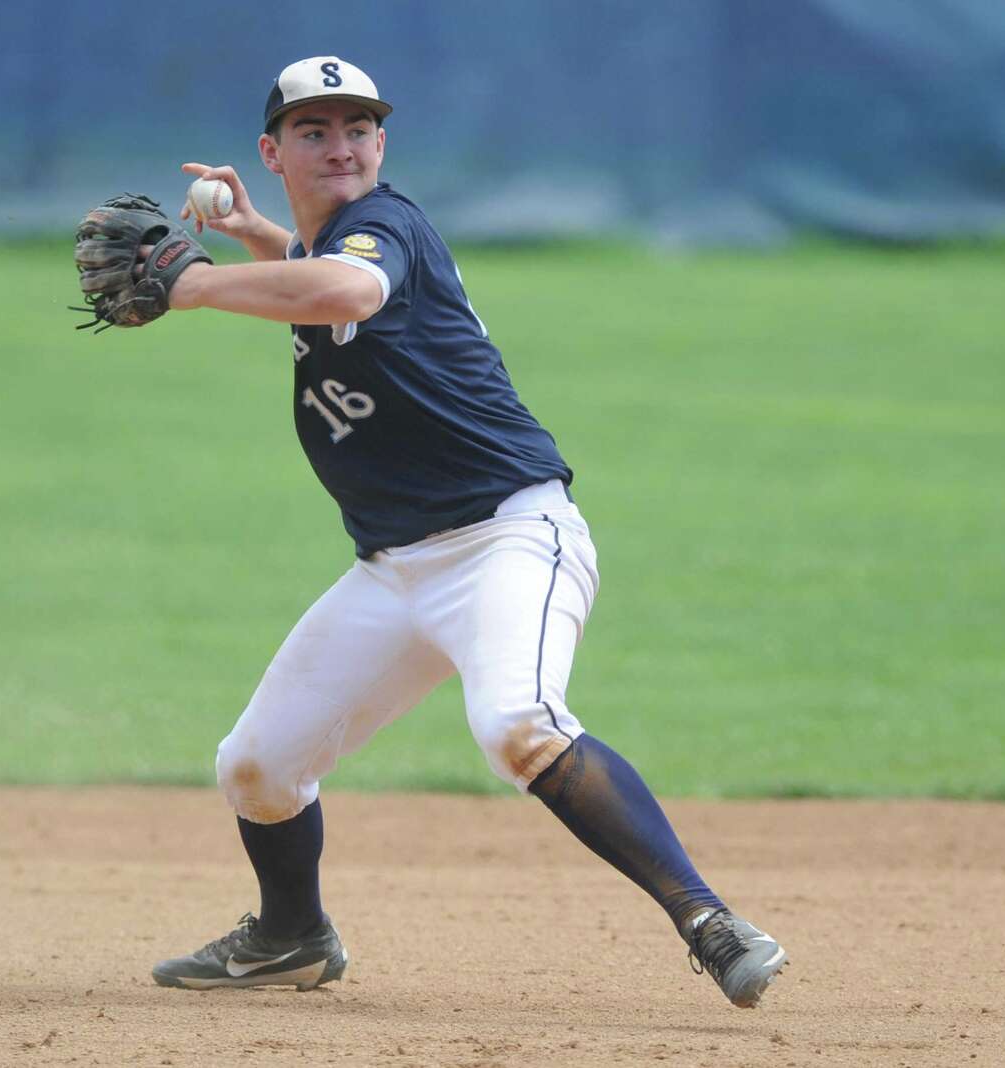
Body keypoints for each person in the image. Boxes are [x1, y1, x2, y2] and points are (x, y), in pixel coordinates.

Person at [147, 55, 787, 1008]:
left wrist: (191, 287)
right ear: (271, 150)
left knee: (519, 725)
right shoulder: (334, 243)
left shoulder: (384, 227)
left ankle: (712, 920)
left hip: (508, 540)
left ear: (382, 143)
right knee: (257, 765)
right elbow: (318, 275)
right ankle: (290, 935)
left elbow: (350, 293)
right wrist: (249, 233)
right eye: (314, 131)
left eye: (358, 128)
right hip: (397, 568)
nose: (341, 146)